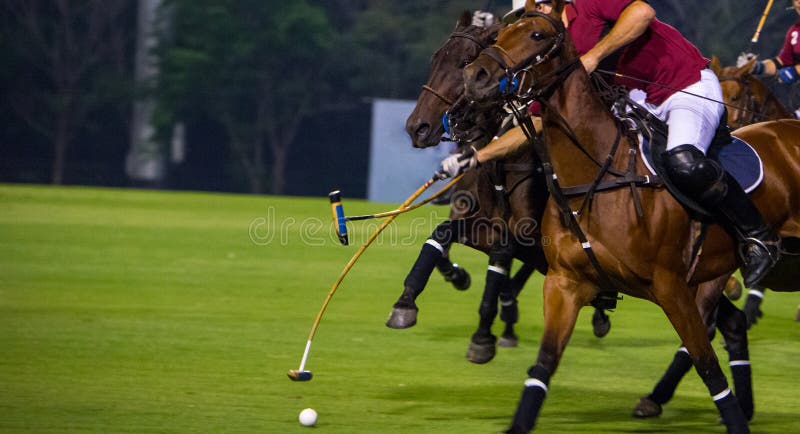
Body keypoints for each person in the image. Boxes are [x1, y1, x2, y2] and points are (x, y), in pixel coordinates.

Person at [441, 0, 781, 288]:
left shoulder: (588, 5)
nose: (536, 12)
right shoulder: (548, 57)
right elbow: (538, 121)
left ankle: (759, 237)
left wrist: (593, 57)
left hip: (684, 84)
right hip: (640, 101)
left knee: (683, 161)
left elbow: (643, 12)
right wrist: (477, 156)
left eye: (539, 4)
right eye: (528, 12)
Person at [739, 0, 800, 118]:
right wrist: (756, 66)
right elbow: (781, 62)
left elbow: (792, 69)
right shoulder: (794, 32)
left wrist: (795, 71)